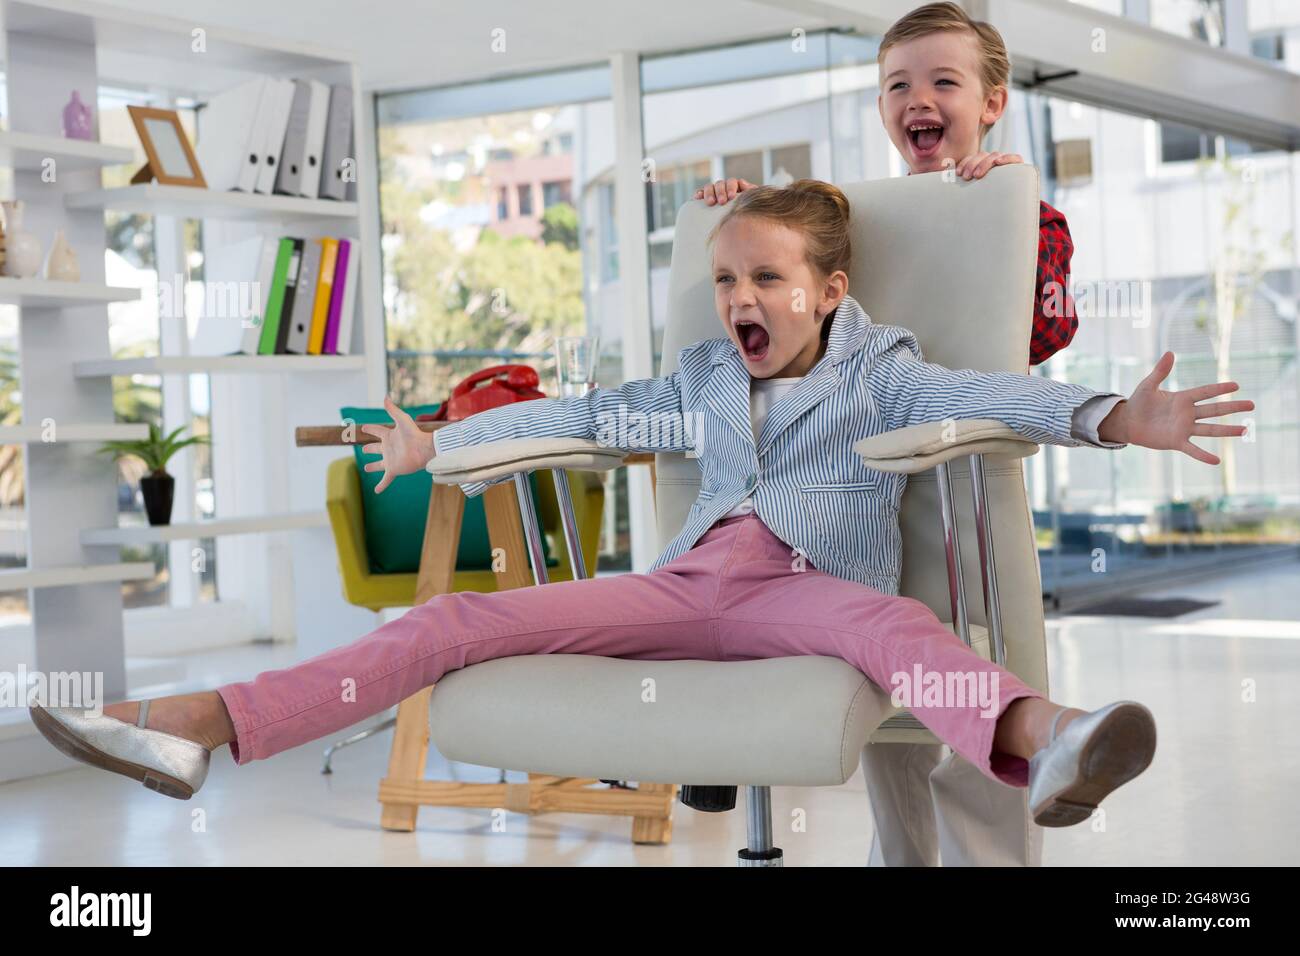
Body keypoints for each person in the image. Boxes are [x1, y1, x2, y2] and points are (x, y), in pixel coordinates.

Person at [31, 181, 1249, 845]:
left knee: (903, 636)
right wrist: (437, 442)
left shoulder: (883, 371)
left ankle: (1058, 738)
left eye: (765, 277)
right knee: (448, 624)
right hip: (681, 585)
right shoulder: (706, 381)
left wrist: (1110, 416)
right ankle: (196, 721)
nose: (738, 298)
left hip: (811, 593)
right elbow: (587, 414)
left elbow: (995, 394)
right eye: (725, 278)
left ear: (829, 290)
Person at [693, 0, 1088, 865]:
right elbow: (790, 284)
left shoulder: (1020, 208)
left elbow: (1050, 330)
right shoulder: (856, 217)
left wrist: (1010, 221)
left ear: (991, 102)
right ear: (881, 109)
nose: (920, 98)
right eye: (898, 85)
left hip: (970, 489)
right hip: (857, 488)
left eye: (945, 81)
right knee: (889, 705)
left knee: (988, 673)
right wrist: (742, 205)